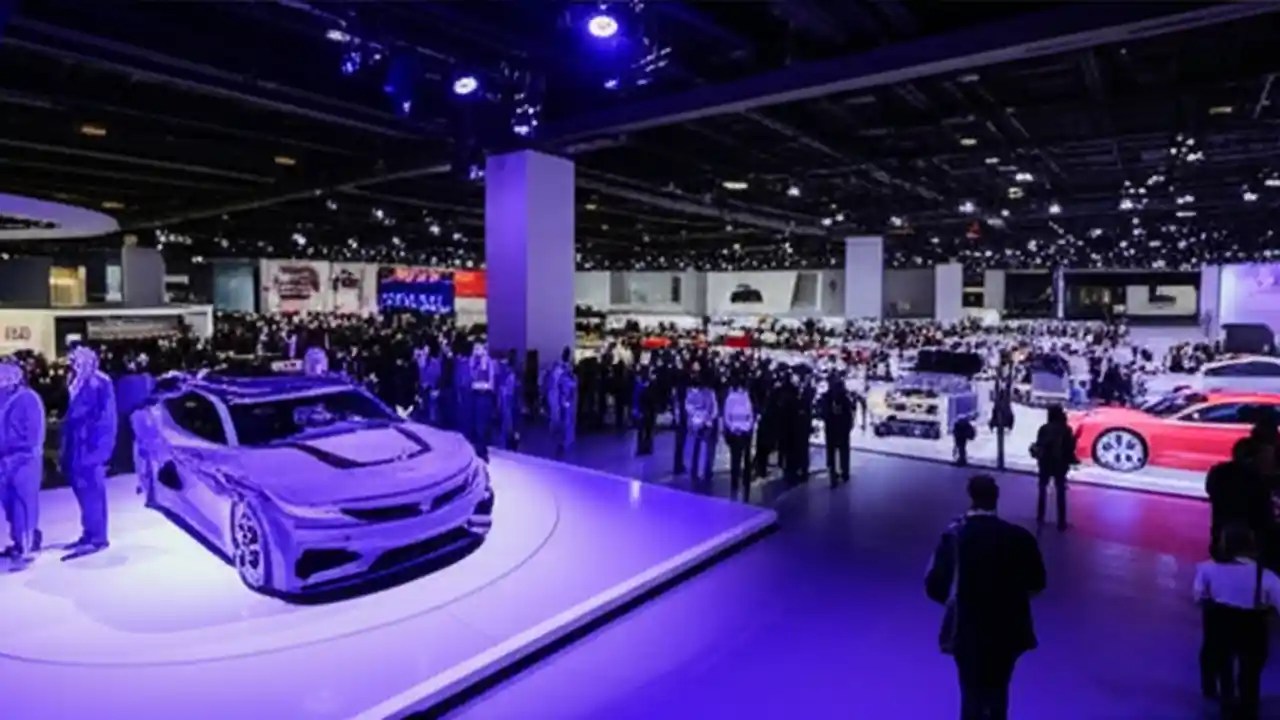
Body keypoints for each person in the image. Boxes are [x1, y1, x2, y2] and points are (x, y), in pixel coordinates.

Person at [926, 475, 1046, 720]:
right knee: (999, 690)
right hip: (1009, 631)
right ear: (996, 499)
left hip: (967, 629)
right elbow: (1038, 583)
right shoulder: (1020, 537)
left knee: (971, 693)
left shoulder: (954, 537)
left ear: (971, 496)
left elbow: (934, 586)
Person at [1194, 523, 1280, 719]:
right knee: (1250, 670)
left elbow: (1199, 596)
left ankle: (1225, 700)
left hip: (1220, 624)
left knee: (1223, 664)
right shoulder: (1266, 577)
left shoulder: (1207, 568)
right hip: (1253, 628)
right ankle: (1248, 707)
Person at [60, 346, 118, 560]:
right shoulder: (76, 381)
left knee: (93, 492)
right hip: (78, 447)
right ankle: (89, 533)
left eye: (76, 359)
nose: (72, 363)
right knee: (83, 492)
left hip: (91, 448)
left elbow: (106, 420)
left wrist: (100, 449)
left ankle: (97, 537)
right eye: (72, 360)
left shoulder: (99, 382)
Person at [0, 359, 46, 566]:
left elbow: (35, 434)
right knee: (10, 505)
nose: (3, 377)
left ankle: (26, 547)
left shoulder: (28, 398)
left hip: (24, 460)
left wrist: (22, 455)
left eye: (8, 373)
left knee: (24, 504)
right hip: (4, 461)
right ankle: (18, 542)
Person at [1032, 404, 1076, 531]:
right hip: (1060, 464)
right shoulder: (1066, 429)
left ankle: (1040, 516)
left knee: (1042, 490)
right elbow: (1070, 448)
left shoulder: (1044, 428)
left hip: (1045, 462)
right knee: (1060, 492)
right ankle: (1061, 521)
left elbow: (1039, 445)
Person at [818, 371, 854, 488]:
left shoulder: (827, 397)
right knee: (843, 451)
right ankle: (844, 473)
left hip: (832, 428)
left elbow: (823, 413)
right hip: (840, 428)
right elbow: (849, 413)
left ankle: (834, 475)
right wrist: (848, 425)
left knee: (832, 453)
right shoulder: (844, 396)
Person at [721, 374, 755, 500]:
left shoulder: (746, 398)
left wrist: (746, 428)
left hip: (744, 433)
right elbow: (727, 416)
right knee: (735, 459)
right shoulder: (730, 399)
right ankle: (734, 482)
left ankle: (745, 481)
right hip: (736, 433)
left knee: (745, 459)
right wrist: (734, 428)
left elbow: (750, 416)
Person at [685, 370, 719, 484]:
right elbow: (714, 410)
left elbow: (714, 409)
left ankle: (703, 472)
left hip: (702, 424)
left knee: (702, 449)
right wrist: (704, 418)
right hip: (700, 424)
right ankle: (699, 471)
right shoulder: (695, 393)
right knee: (700, 449)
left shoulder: (708, 393)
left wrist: (704, 418)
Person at [469, 343, 497, 462]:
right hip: (475, 396)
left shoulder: (489, 363)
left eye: (478, 348)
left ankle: (483, 451)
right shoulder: (474, 362)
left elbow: (491, 383)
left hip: (484, 396)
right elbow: (472, 377)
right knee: (475, 423)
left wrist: (481, 385)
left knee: (482, 424)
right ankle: (477, 449)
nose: (476, 351)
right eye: (475, 349)